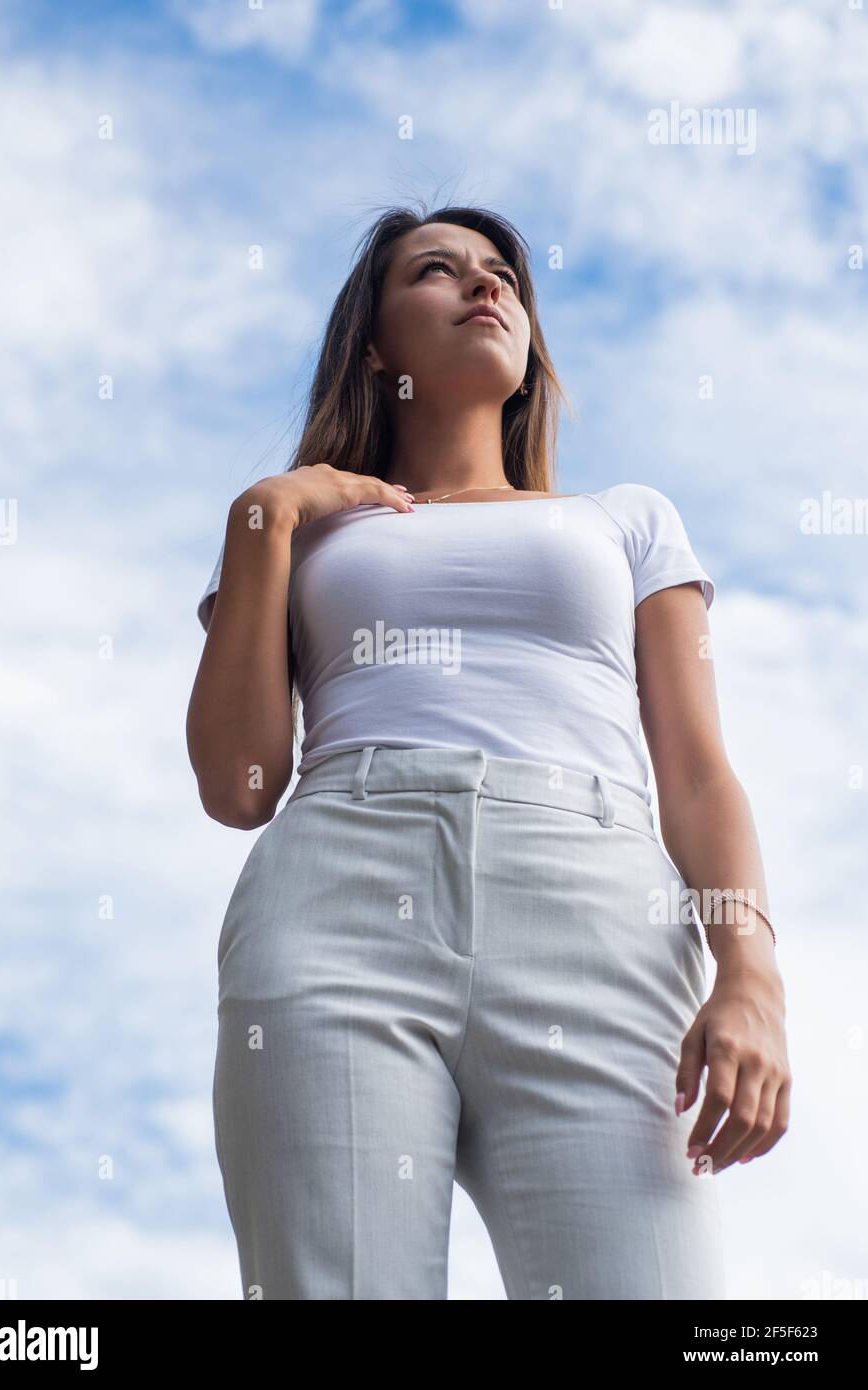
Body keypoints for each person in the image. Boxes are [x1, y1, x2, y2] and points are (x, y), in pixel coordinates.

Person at [186, 203, 791, 1301]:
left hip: (599, 914)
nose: (487, 286)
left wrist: (751, 970)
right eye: (437, 270)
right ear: (373, 346)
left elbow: (698, 772)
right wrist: (265, 515)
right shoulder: (305, 531)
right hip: (338, 904)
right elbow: (240, 786)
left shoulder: (627, 521)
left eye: (503, 272)